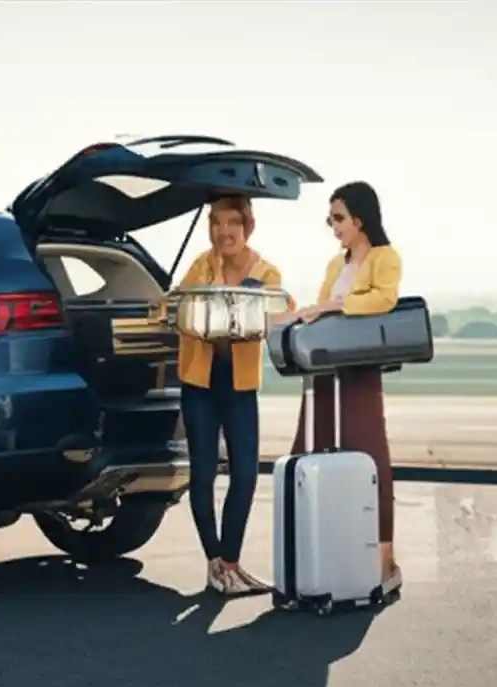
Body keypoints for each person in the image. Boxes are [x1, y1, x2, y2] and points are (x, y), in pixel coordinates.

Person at [160, 195, 297, 596]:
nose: (224, 232)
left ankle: (231, 562)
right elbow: (179, 309)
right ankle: (215, 564)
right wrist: (212, 279)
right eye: (217, 224)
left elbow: (281, 308)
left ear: (248, 226)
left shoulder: (266, 270)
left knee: (245, 475)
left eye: (232, 223)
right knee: (203, 474)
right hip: (200, 383)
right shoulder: (201, 265)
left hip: (238, 385)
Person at [288, 180, 403, 595]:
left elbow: (384, 300)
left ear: (359, 218)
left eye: (338, 218)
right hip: (324, 372)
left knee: (372, 457)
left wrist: (335, 306)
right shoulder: (335, 266)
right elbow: (322, 308)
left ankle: (385, 561)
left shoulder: (385, 257)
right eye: (330, 219)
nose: (333, 226)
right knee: (310, 448)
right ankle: (324, 555)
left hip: (359, 372)